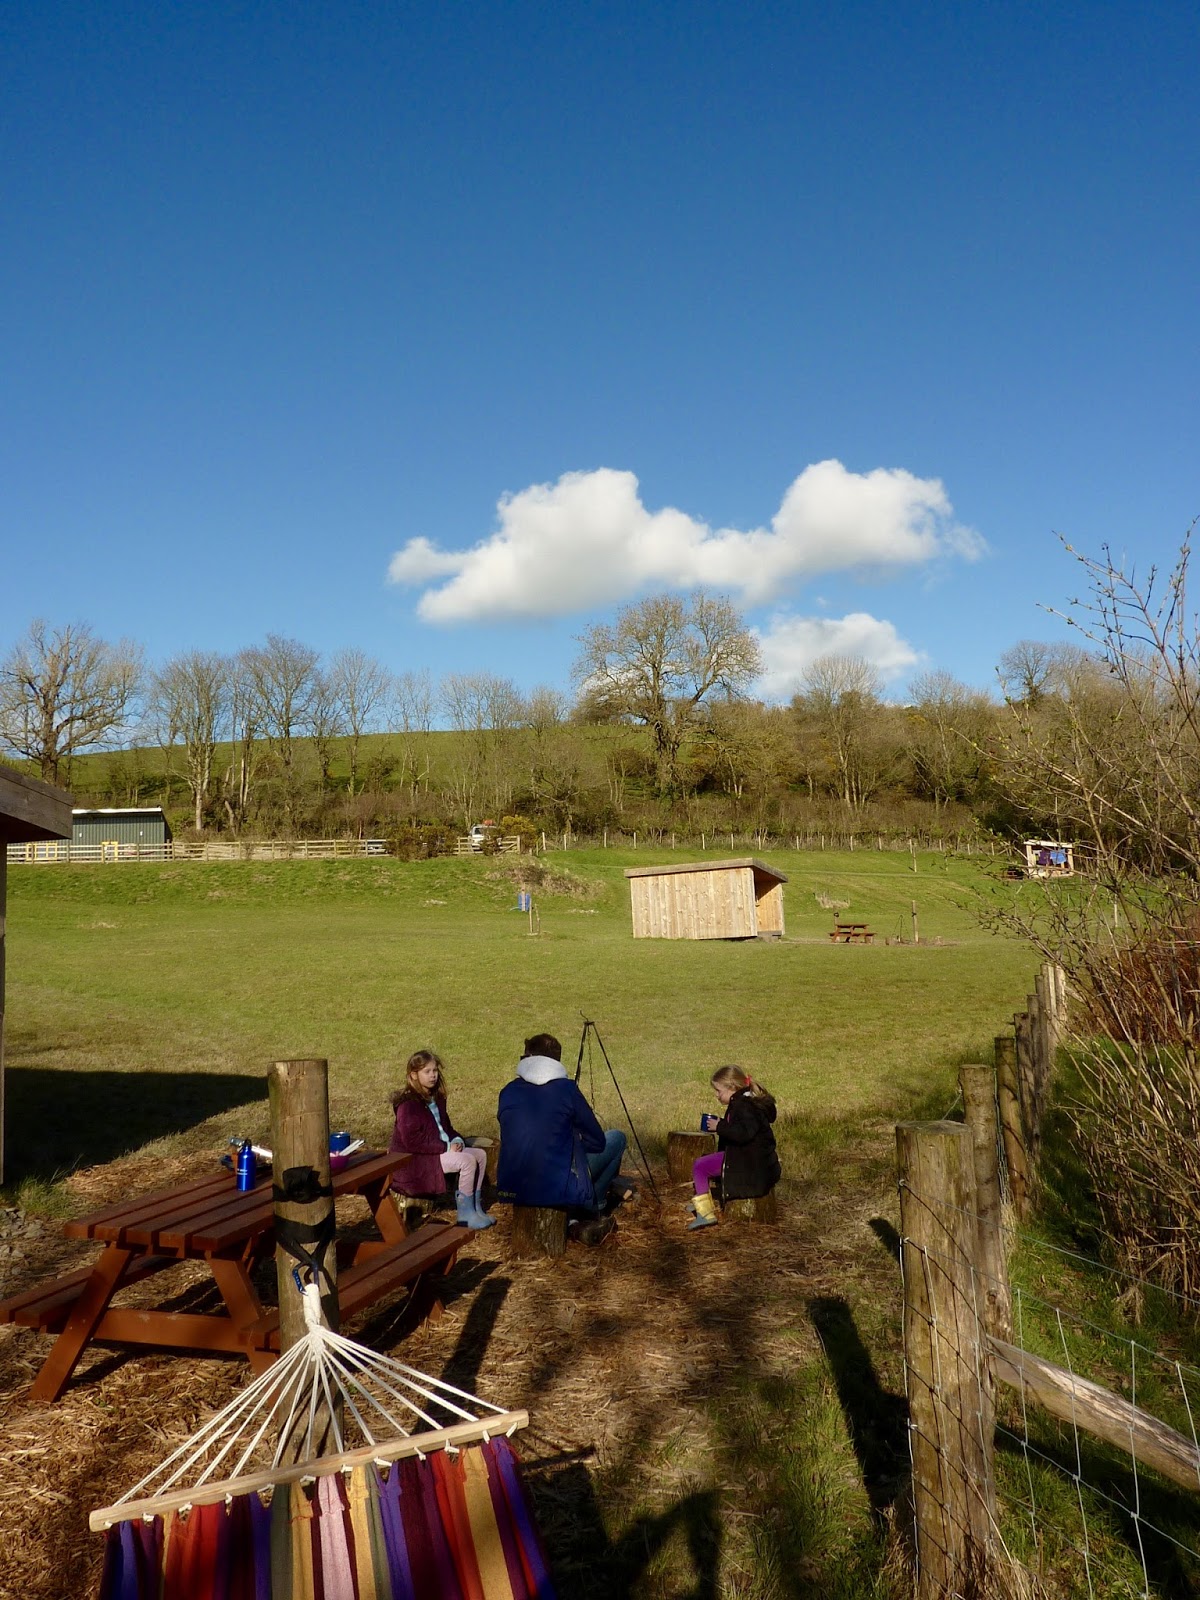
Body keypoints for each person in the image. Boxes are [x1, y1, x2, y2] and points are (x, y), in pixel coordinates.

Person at [496, 1032, 627, 1244]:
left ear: (527, 1057)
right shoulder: (567, 1089)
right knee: (616, 1138)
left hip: (512, 1183)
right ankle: (594, 1209)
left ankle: (576, 1217)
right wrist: (573, 1140)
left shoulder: (508, 1091)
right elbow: (597, 1141)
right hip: (555, 1182)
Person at [389, 1049, 496, 1230]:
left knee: (479, 1155)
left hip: (437, 1150)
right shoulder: (408, 1106)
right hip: (415, 1160)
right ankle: (465, 1214)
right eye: (427, 1072)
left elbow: (446, 1128)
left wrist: (457, 1140)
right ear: (413, 1075)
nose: (433, 1075)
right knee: (467, 1161)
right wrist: (446, 1146)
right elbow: (411, 1142)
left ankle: (476, 1207)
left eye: (435, 1071)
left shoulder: (436, 1098)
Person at [688, 1065, 780, 1231]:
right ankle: (703, 1199)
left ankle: (705, 1213)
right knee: (706, 1162)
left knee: (700, 1166)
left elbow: (744, 1133)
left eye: (718, 1090)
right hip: (753, 1159)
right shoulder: (745, 1100)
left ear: (731, 1087)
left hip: (749, 1164)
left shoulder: (744, 1106)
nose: (716, 1095)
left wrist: (720, 1126)